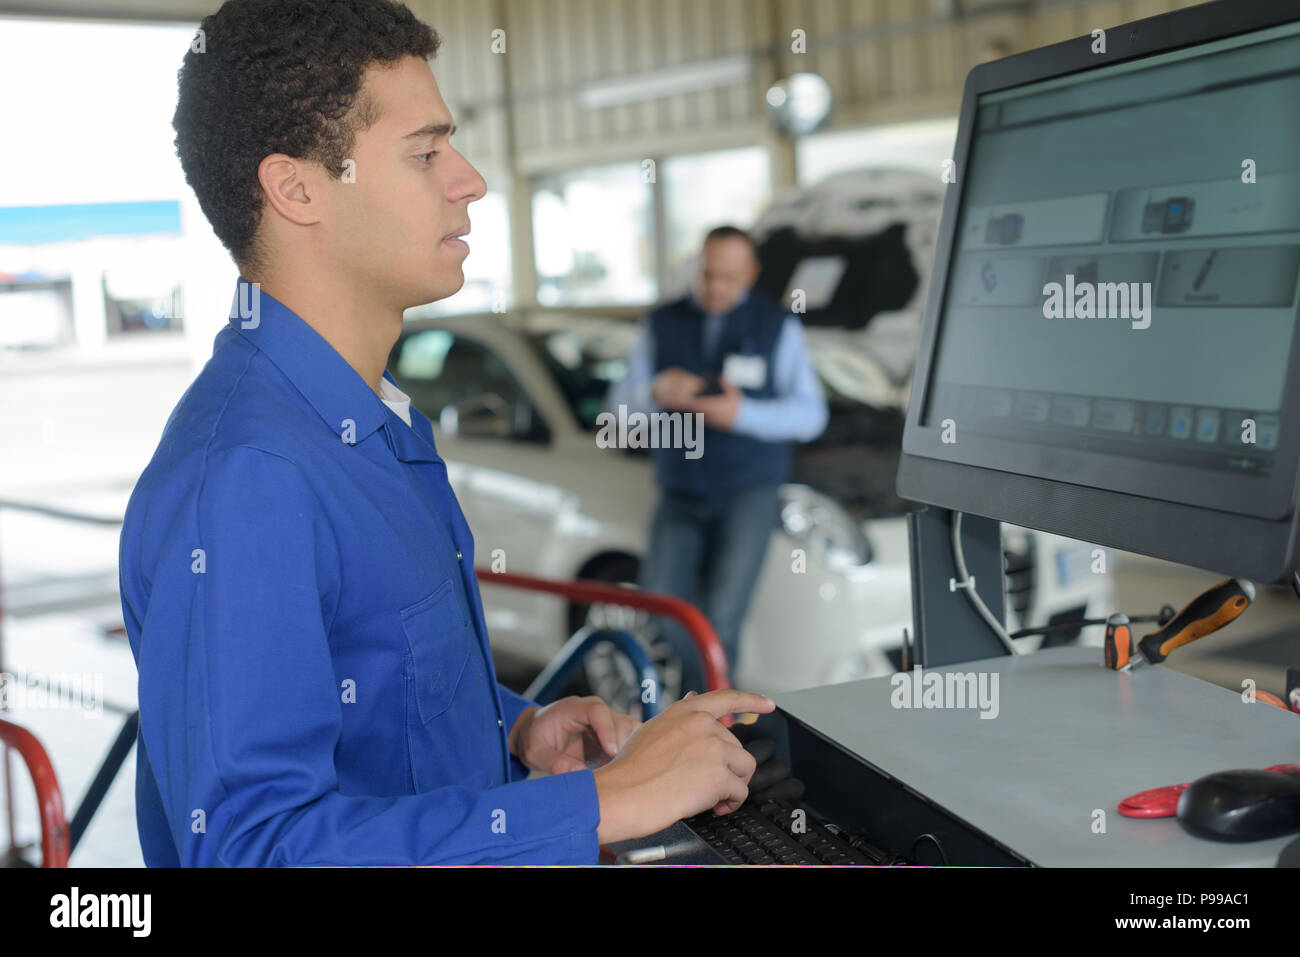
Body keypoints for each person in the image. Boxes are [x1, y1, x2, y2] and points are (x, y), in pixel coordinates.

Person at [118, 0, 772, 867]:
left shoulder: (369, 417)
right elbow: (255, 848)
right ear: (297, 188)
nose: (469, 179)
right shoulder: (249, 475)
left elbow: (379, 678)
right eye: (425, 152)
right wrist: (601, 803)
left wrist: (520, 728)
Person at [607, 226, 828, 696]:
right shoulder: (660, 323)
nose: (716, 287)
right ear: (696, 267)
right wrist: (654, 393)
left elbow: (811, 416)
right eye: (708, 275)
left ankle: (713, 727)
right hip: (679, 490)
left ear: (751, 274)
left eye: (729, 277)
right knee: (663, 607)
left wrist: (740, 413)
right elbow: (618, 414)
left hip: (749, 489)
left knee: (724, 617)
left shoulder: (778, 325)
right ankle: (701, 711)